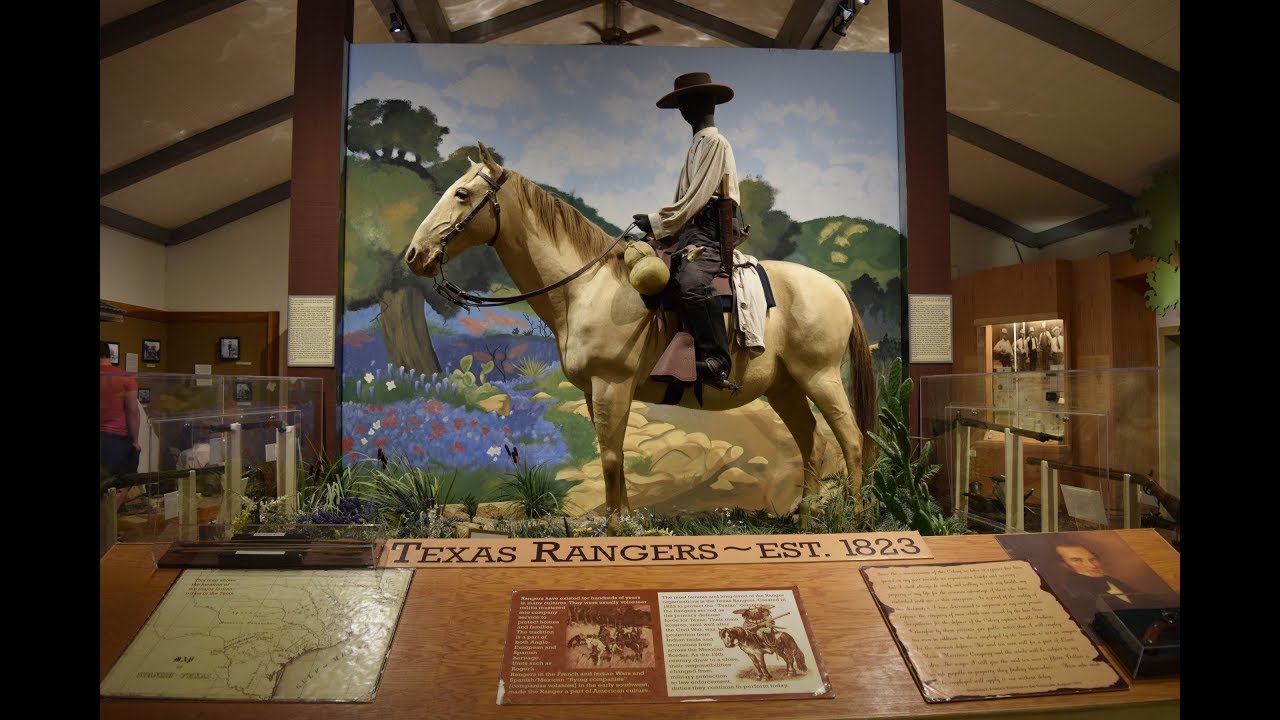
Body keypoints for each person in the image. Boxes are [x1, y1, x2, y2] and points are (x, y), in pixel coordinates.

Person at [632, 71, 739, 390]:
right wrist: (655, 234)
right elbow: (684, 201)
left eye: (689, 102)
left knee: (692, 281)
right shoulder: (697, 145)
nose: (685, 109)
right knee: (655, 269)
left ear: (705, 104)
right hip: (691, 230)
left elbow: (696, 198)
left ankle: (716, 359)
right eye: (682, 103)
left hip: (711, 231)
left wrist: (656, 220)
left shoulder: (716, 142)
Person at [1052, 541, 1142, 624]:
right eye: (1077, 560)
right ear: (1063, 565)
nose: (1092, 566)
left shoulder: (1110, 580)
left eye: (1092, 559)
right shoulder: (1070, 593)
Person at [100, 341, 140, 483]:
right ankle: (112, 506)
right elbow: (132, 410)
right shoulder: (125, 377)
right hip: (116, 437)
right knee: (117, 483)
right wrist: (135, 441)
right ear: (109, 355)